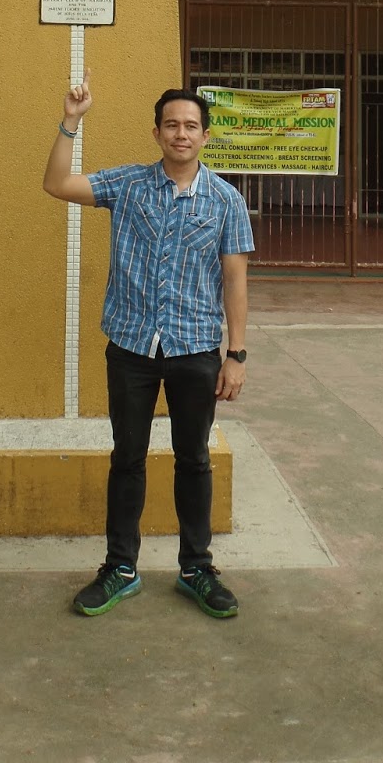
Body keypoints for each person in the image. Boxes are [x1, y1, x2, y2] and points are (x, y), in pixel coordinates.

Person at [42, 75, 253, 618]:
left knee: (194, 460)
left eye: (191, 126)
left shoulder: (227, 201)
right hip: (132, 346)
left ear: (205, 136)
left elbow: (235, 281)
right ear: (157, 132)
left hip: (195, 349)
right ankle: (120, 567)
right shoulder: (129, 185)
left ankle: (197, 568)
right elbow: (57, 184)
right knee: (127, 458)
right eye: (171, 125)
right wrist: (71, 121)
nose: (181, 134)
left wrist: (236, 355)